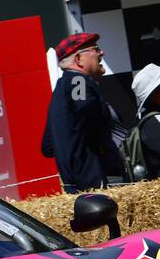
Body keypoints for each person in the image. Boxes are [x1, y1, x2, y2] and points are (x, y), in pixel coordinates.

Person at [41, 32, 127, 192]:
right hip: (95, 182)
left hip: (77, 185)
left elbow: (48, 146)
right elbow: (84, 107)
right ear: (78, 59)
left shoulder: (61, 90)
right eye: (96, 49)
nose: (102, 53)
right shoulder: (77, 80)